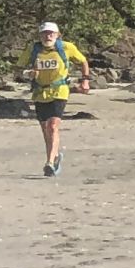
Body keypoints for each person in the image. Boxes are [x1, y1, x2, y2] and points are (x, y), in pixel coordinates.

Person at [23, 19, 89, 177]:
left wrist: (85, 80)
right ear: (40, 35)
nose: (48, 36)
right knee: (46, 129)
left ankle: (49, 163)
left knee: (53, 126)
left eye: (51, 33)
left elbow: (83, 61)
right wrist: (28, 73)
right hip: (40, 92)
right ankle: (54, 158)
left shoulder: (66, 47)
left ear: (58, 35)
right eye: (45, 33)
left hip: (60, 90)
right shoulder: (33, 50)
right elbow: (18, 69)